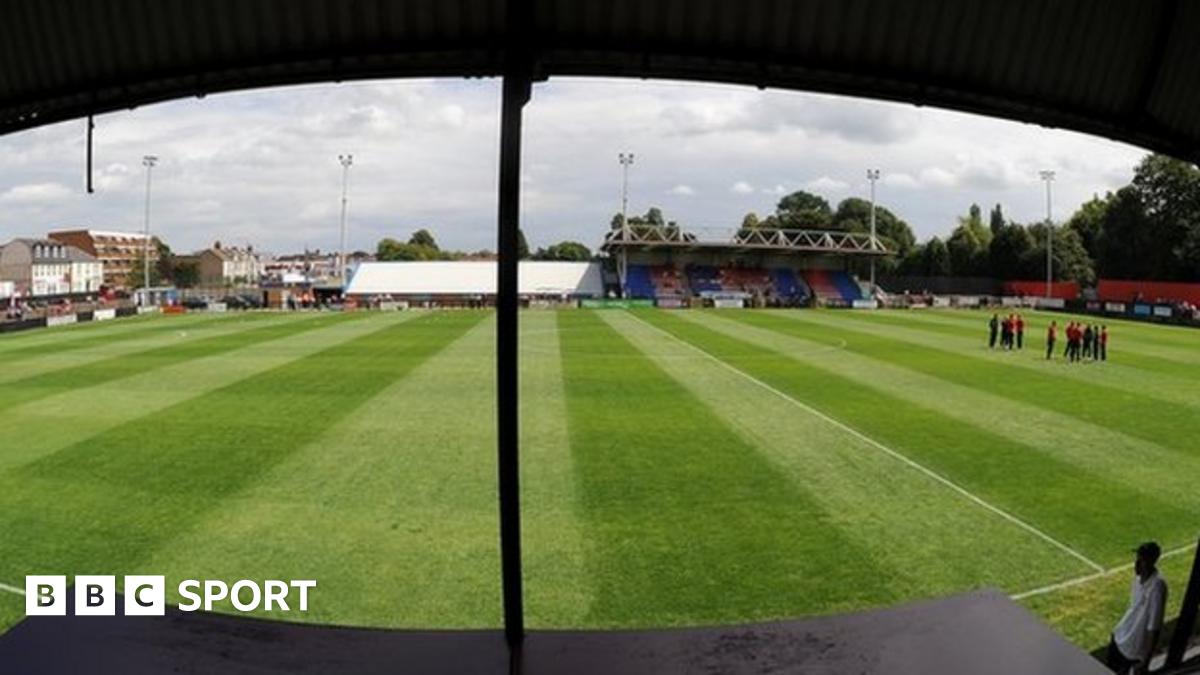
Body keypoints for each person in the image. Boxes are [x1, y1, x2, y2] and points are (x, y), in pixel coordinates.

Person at [1106, 542, 1167, 674]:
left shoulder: (1157, 586)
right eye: (1137, 558)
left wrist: (1146, 662)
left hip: (1133, 650)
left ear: (1152, 561)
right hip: (1119, 638)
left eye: (1142, 560)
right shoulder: (1137, 580)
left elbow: (1154, 627)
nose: (1137, 563)